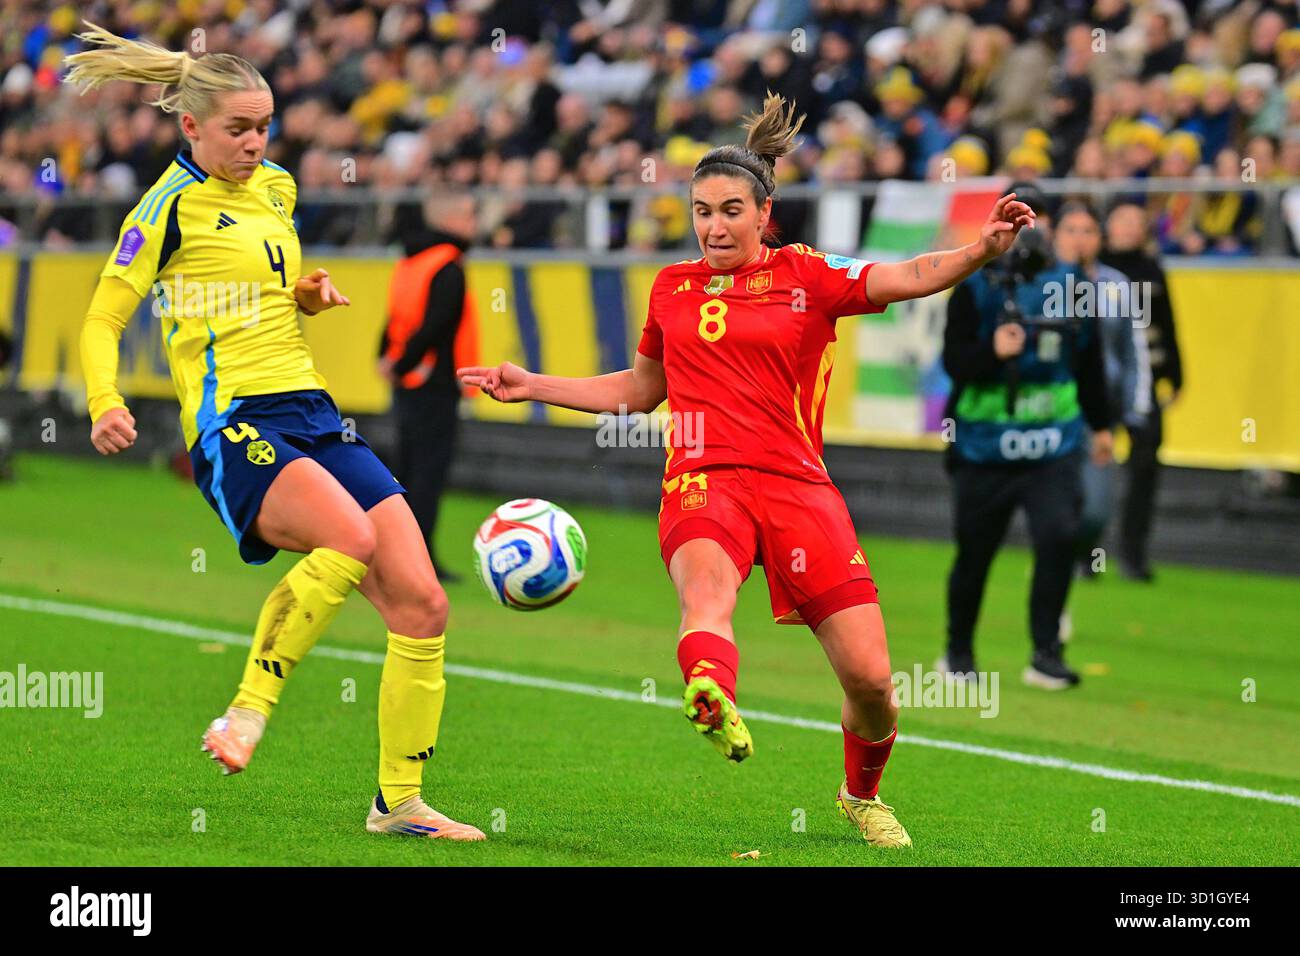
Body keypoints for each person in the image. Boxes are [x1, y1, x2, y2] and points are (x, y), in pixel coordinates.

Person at [459, 93, 1036, 848]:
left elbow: (910, 275)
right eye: (701, 211)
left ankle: (861, 795)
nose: (713, 227)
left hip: (799, 486)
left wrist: (980, 250)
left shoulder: (810, 276)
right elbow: (639, 390)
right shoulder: (672, 288)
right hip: (703, 479)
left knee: (871, 683)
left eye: (730, 210)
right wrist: (534, 384)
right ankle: (710, 693)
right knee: (706, 599)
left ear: (764, 213)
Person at [65, 22, 483, 841]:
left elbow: (258, 291)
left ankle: (399, 803)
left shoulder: (279, 189)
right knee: (349, 536)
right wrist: (102, 400)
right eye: (237, 130)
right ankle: (247, 712)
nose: (255, 143)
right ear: (191, 126)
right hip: (235, 425)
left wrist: (307, 297)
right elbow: (102, 317)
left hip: (314, 413)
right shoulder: (167, 208)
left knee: (425, 602)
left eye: (264, 127)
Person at [938, 183, 1115, 691]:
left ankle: (1046, 653)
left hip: (1052, 446)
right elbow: (953, 362)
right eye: (1013, 220)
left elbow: (1090, 362)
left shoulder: (1072, 285)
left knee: (1059, 539)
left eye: (1032, 221)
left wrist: (1101, 426)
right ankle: (958, 651)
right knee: (975, 552)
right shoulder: (972, 285)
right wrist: (991, 350)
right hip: (983, 447)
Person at [379, 190, 479, 582]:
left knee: (404, 469)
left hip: (407, 384)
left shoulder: (410, 260)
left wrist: (389, 361)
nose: (475, 225)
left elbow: (395, 318)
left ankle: (395, 553)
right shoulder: (448, 266)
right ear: (451, 220)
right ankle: (419, 560)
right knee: (428, 475)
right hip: (435, 386)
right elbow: (435, 326)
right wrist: (403, 361)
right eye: (470, 215)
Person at [1052, 201, 1150, 581]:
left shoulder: (1117, 286)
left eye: (1088, 231)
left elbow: (1132, 351)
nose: (1079, 239)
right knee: (1055, 502)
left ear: (1101, 238)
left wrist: (1134, 408)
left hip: (1099, 416)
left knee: (1096, 509)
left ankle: (1077, 553)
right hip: (1053, 410)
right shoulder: (1044, 283)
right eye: (1070, 230)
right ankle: (1056, 562)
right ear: (1055, 235)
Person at [1100, 201, 1183, 581]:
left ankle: (1133, 554)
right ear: (1110, 227)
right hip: (1102, 383)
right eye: (1124, 221)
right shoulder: (1094, 269)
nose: (1132, 228)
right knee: (1094, 466)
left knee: (1145, 468)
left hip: (1146, 384)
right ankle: (1087, 552)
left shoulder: (1152, 270)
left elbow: (1167, 325)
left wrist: (1175, 374)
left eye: (1138, 222)